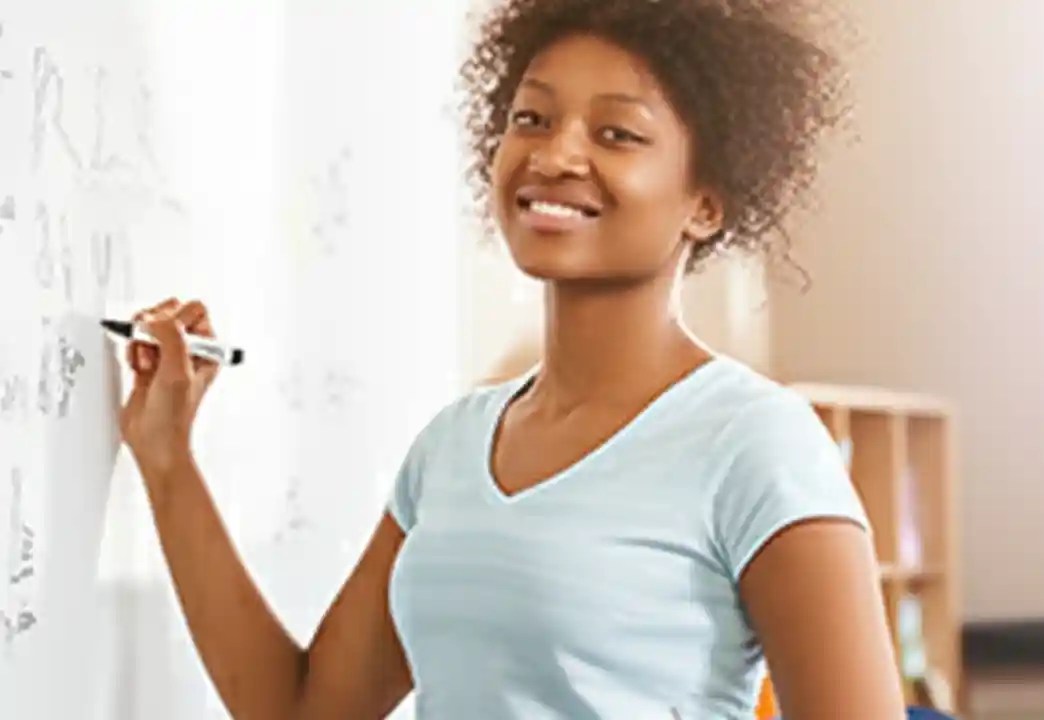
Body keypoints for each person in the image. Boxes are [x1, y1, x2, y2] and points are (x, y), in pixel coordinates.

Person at [118, 0, 906, 717]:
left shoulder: (756, 443)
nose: (554, 154)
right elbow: (303, 713)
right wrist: (166, 461)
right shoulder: (450, 448)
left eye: (616, 134)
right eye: (531, 118)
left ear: (705, 202)